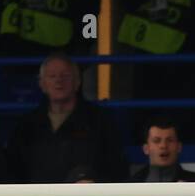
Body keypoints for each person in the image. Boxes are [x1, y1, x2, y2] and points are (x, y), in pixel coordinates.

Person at [8, 53, 124, 184]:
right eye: (52, 76)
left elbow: (116, 170)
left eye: (65, 76)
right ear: (42, 84)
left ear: (77, 82)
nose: (59, 81)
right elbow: (14, 171)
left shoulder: (100, 121)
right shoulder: (26, 125)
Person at [128, 117, 195, 183]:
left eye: (170, 140)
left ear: (179, 147)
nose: (163, 146)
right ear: (146, 149)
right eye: (156, 141)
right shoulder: (129, 186)